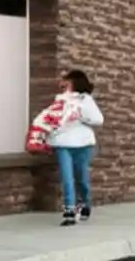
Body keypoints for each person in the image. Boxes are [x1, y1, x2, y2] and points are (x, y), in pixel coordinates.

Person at [50, 69, 104, 226]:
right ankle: (69, 211)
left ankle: (84, 204)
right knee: (67, 178)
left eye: (67, 80)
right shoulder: (59, 100)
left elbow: (98, 119)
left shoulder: (85, 99)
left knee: (81, 178)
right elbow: (53, 119)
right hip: (62, 143)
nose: (63, 83)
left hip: (83, 143)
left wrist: (80, 115)